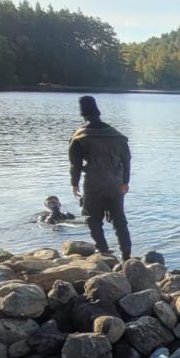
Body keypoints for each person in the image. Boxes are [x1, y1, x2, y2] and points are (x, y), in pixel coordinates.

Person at [69, 94, 131, 261]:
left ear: (82, 113)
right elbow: (126, 160)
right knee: (119, 219)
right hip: (115, 183)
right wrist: (125, 182)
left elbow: (75, 163)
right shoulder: (117, 136)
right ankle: (126, 254)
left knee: (93, 218)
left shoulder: (80, 136)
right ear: (98, 112)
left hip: (93, 183)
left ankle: (102, 250)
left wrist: (74, 183)